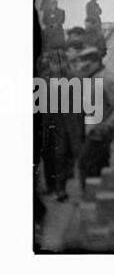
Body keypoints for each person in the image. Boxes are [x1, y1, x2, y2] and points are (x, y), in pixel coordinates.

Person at [37, 27, 84, 201]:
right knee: (55, 154)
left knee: (65, 153)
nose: (55, 63)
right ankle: (56, 188)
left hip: (68, 120)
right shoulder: (45, 78)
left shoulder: (74, 78)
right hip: (53, 120)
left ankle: (62, 188)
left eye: (58, 59)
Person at [73, 44, 114, 187]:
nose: (82, 66)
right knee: (95, 165)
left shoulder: (107, 79)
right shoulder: (92, 77)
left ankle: (92, 198)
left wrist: (107, 127)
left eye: (86, 63)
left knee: (87, 164)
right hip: (92, 129)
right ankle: (97, 195)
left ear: (95, 62)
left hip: (100, 132)